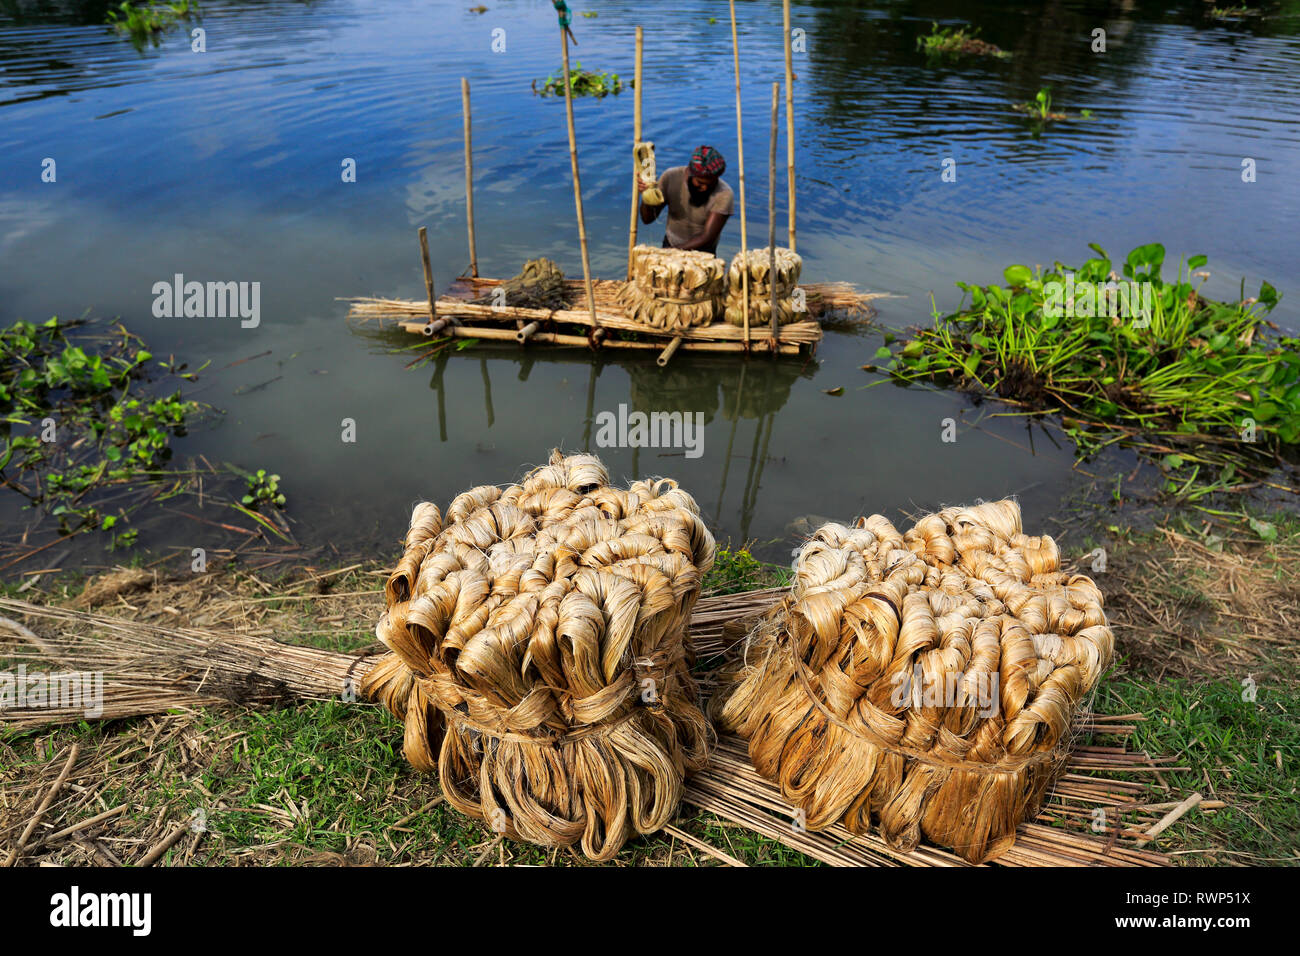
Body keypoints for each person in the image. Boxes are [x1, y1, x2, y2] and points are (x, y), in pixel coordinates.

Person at [639, 145, 734, 256]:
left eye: (711, 183)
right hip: (670, 244)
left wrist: (670, 252)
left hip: (704, 254)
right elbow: (647, 219)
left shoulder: (724, 194)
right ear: (689, 173)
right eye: (700, 183)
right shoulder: (670, 177)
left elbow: (707, 237)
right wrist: (646, 195)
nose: (704, 188)